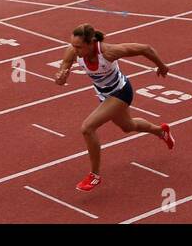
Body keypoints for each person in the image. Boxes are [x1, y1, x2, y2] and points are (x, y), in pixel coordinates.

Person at [54, 24, 175, 193]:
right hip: (104, 95)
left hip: (121, 92)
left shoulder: (108, 52)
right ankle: (162, 131)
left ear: (91, 43)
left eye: (79, 47)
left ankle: (94, 175)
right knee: (128, 126)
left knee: (87, 128)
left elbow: (145, 48)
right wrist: (61, 77)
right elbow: (61, 77)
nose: (75, 50)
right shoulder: (72, 51)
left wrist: (162, 66)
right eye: (73, 45)